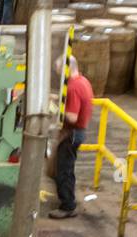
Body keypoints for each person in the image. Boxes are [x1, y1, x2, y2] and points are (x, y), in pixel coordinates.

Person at [51, 56, 93, 220]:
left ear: (67, 68)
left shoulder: (73, 87)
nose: (59, 75)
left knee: (64, 170)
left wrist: (54, 108)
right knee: (64, 168)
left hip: (72, 134)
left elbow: (72, 117)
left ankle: (68, 206)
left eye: (59, 71)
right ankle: (66, 198)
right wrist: (57, 98)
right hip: (78, 132)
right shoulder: (83, 81)